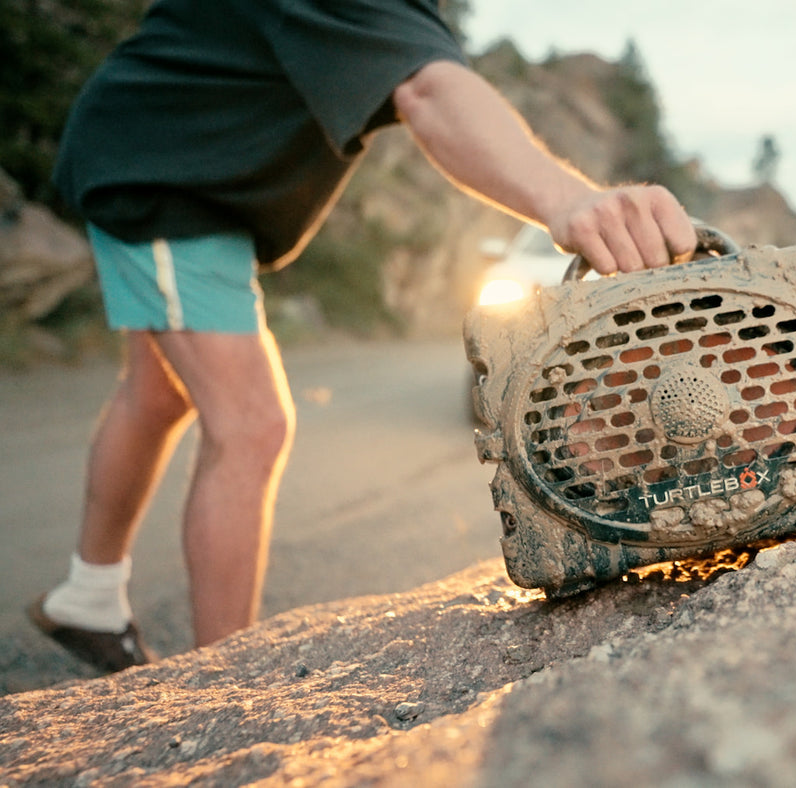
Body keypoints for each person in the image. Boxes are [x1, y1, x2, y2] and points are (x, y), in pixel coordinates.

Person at [28, 0, 698, 673]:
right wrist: (568, 199)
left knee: (157, 393)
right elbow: (429, 89)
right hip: (163, 178)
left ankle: (88, 596)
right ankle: (219, 680)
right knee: (252, 425)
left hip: (157, 158)